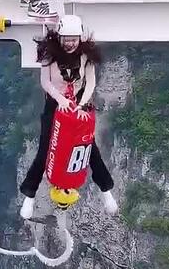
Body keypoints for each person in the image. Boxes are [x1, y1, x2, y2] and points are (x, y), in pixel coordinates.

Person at [20, 15, 118, 220]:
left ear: (79, 38)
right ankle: (29, 196)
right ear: (60, 38)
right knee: (45, 150)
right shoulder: (49, 54)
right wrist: (60, 100)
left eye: (74, 39)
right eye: (67, 39)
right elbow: (46, 82)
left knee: (89, 149)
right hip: (55, 105)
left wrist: (81, 104)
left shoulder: (85, 55)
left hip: (78, 104)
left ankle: (106, 192)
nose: (70, 43)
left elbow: (90, 82)